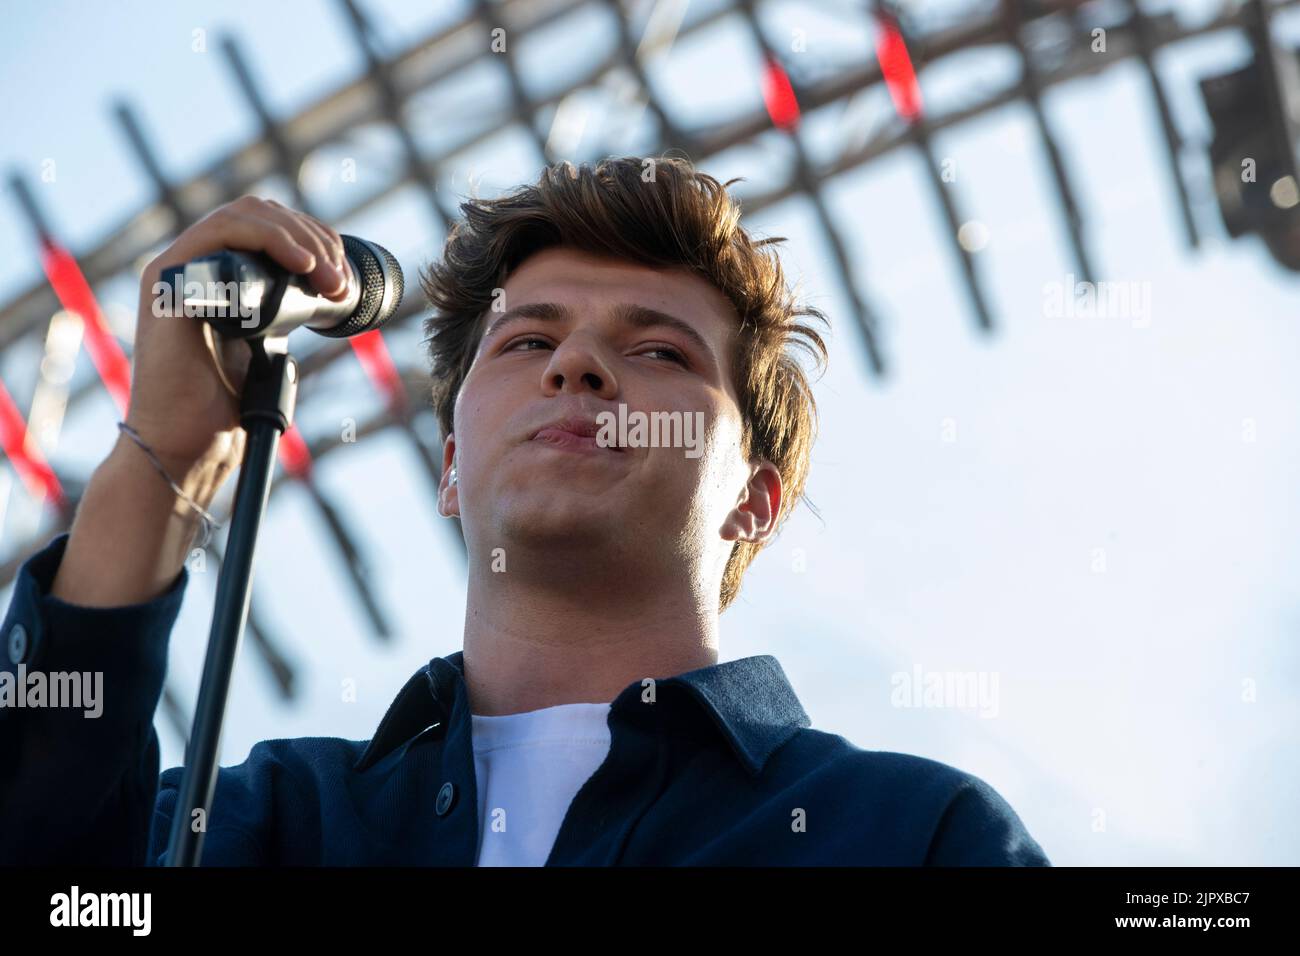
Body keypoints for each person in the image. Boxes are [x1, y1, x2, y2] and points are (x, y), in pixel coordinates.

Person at [0, 156, 1050, 865]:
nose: (578, 364)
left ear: (752, 498)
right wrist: (164, 458)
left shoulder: (908, 835)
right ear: (451, 467)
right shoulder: (261, 825)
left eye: (657, 350)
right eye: (526, 342)